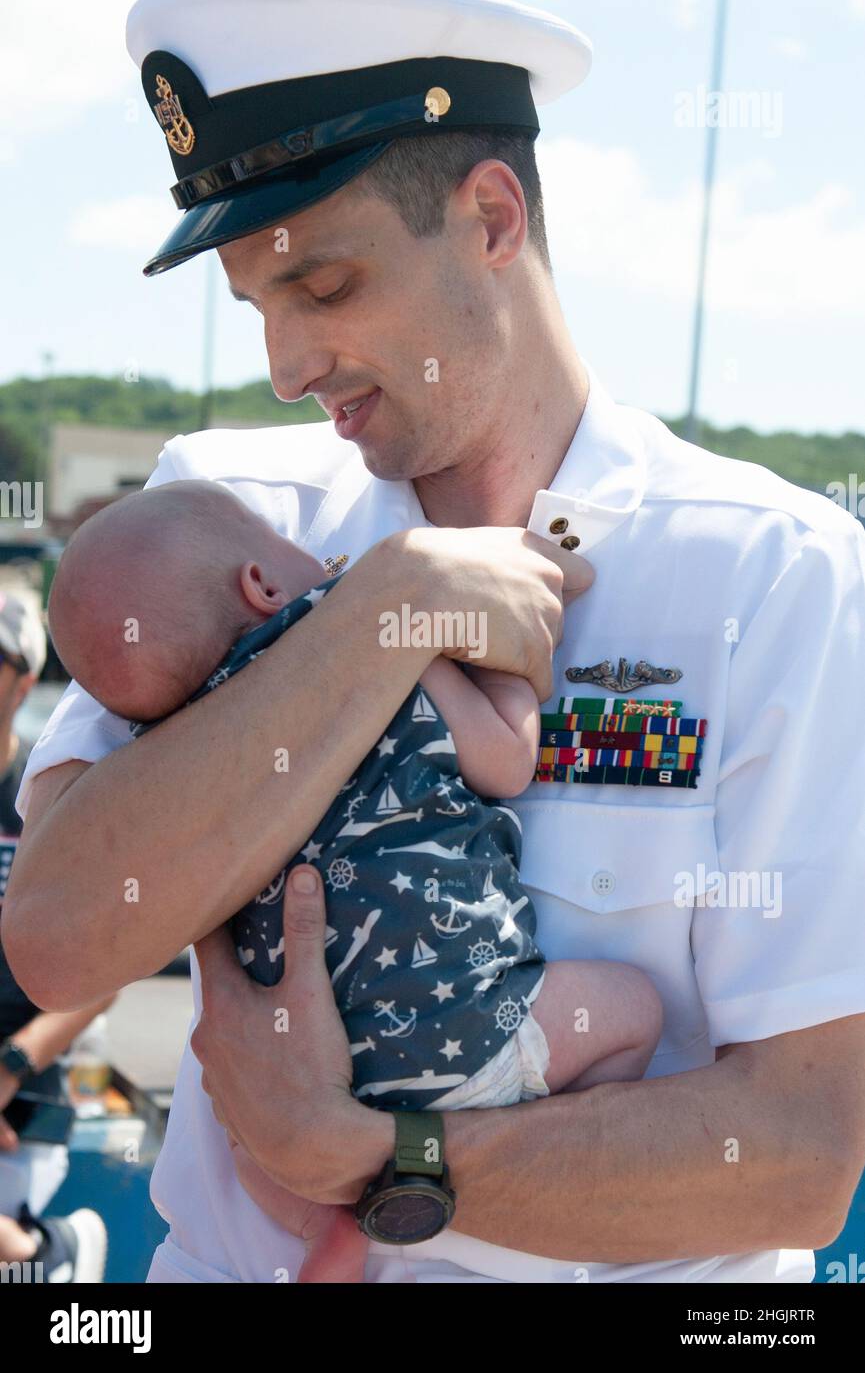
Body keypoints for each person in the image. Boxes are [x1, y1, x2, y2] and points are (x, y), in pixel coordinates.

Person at [4, 0, 865, 1285]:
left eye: (325, 283)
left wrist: (378, 1158)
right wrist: (373, 618)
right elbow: (61, 931)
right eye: (255, 305)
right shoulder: (219, 518)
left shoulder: (778, 576)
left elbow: (801, 1150)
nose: (288, 362)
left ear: (492, 218)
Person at [45, 478, 662, 1281]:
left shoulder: (177, 756)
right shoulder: (368, 632)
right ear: (262, 585)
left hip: (290, 1084)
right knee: (637, 1010)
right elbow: (507, 761)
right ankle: (545, 1141)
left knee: (248, 1140)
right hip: (470, 1037)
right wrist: (517, 666)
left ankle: (324, 1227)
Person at [0, 591, 111, 1282]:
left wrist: (9, 1065)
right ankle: (46, 1255)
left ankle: (47, 1254)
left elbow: (103, 972)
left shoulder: (48, 794)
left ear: (19, 680)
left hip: (24, 1097)